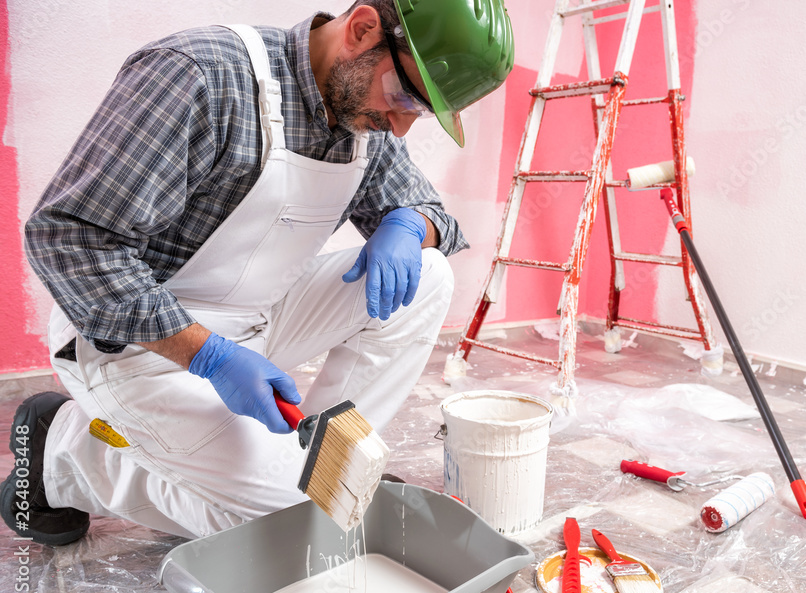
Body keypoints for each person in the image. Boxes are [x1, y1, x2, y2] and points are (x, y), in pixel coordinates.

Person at [2, 0, 514, 545]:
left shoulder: (360, 115)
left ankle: (326, 461)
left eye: (422, 110)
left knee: (428, 274)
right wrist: (209, 355)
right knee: (299, 525)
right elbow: (69, 239)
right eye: (403, 96)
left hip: (255, 326)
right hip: (137, 347)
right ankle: (65, 456)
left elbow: (442, 224)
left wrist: (411, 223)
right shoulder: (199, 75)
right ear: (362, 31)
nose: (401, 126)